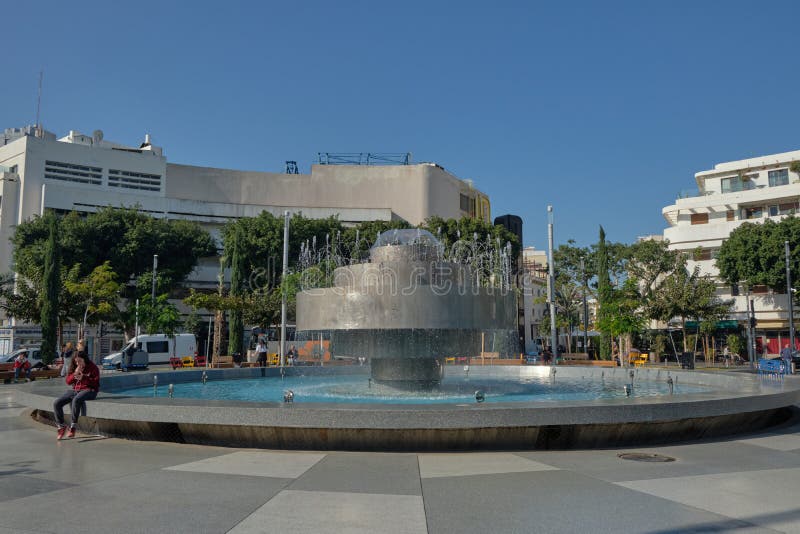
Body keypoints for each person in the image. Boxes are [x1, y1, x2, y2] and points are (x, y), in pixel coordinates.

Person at [53, 341, 99, 440]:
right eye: (76, 361)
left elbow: (96, 384)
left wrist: (84, 378)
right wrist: (74, 374)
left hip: (90, 390)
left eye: (80, 361)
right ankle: (61, 427)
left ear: (85, 360)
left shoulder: (93, 367)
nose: (78, 363)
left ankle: (73, 427)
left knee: (76, 399)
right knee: (57, 403)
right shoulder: (74, 366)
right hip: (75, 390)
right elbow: (68, 382)